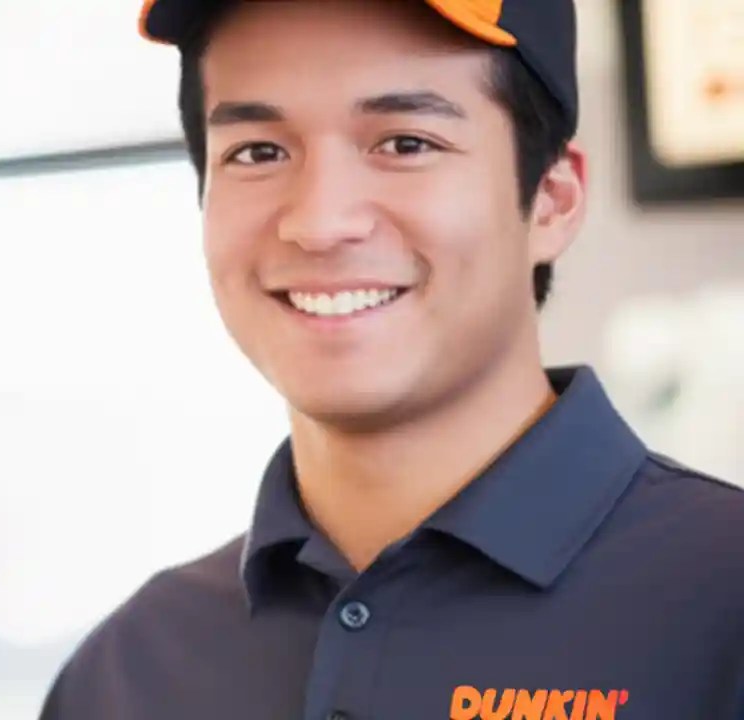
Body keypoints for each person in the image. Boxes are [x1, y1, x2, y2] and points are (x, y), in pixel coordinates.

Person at [38, 1, 744, 718]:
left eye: (406, 143)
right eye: (257, 152)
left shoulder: (721, 601)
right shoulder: (127, 673)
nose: (319, 222)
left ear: (554, 201)